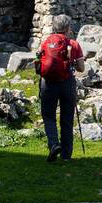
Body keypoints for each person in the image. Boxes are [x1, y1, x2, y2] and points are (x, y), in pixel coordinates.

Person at [36, 15, 85, 163]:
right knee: (67, 118)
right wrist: (73, 63)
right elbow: (81, 68)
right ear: (68, 28)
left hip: (48, 83)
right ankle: (66, 156)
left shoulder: (45, 42)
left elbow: (39, 59)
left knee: (49, 116)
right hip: (67, 83)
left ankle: (53, 145)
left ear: (54, 27)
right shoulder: (73, 44)